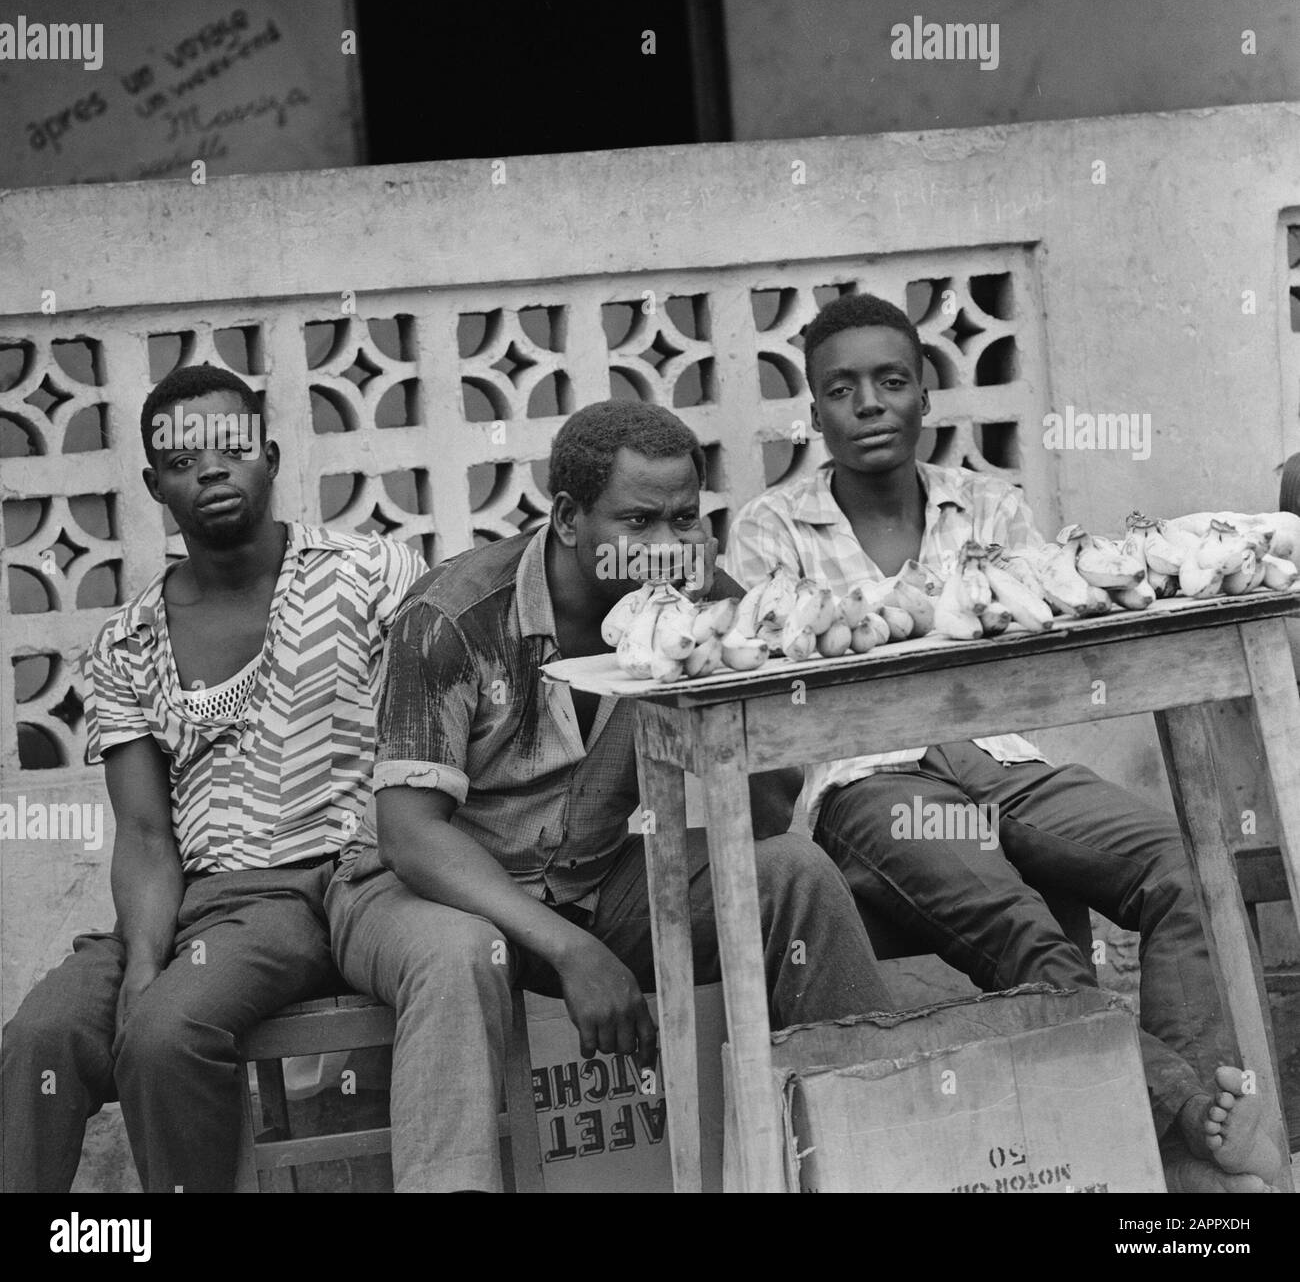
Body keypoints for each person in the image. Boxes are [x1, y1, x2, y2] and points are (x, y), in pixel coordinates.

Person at [725, 292, 1283, 1194]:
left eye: (891, 381)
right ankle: (1185, 1117)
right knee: (1020, 925)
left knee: (1172, 860)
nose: (868, 403)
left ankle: (1175, 1152)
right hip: (878, 782)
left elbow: (1033, 653)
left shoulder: (988, 507)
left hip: (1002, 761)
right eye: (841, 388)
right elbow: (774, 687)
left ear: (923, 398)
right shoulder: (769, 529)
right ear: (815, 410)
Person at [326, 398, 894, 1192]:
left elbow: (762, 814)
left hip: (589, 884)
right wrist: (571, 950)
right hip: (417, 893)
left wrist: (736, 662)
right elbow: (411, 835)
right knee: (464, 952)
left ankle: (867, 1158)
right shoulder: (453, 614)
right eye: (639, 523)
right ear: (566, 518)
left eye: (686, 519)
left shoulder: (704, 603)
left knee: (796, 872)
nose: (668, 547)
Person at [1, 365, 423, 1192]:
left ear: (268, 455)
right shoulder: (125, 643)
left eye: (230, 449)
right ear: (158, 486)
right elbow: (148, 836)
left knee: (165, 1033)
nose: (212, 471)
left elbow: (432, 740)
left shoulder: (370, 574)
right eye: (184, 462)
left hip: (315, 889)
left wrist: (157, 988)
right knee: (39, 1037)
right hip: (194, 902)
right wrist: (144, 960)